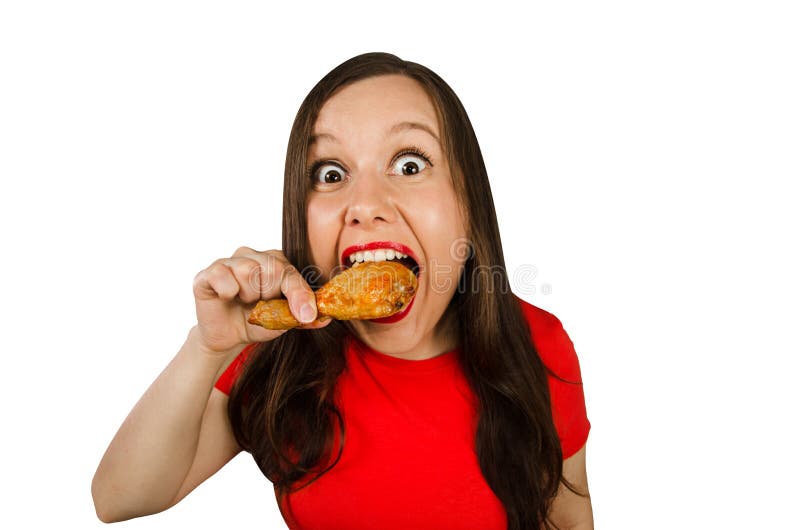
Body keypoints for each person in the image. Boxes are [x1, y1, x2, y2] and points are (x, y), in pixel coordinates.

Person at [91, 52, 593, 530]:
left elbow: (567, 514)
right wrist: (205, 348)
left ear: (469, 202)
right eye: (330, 173)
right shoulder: (272, 351)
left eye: (410, 164)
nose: (365, 204)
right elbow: (119, 500)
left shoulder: (540, 344)